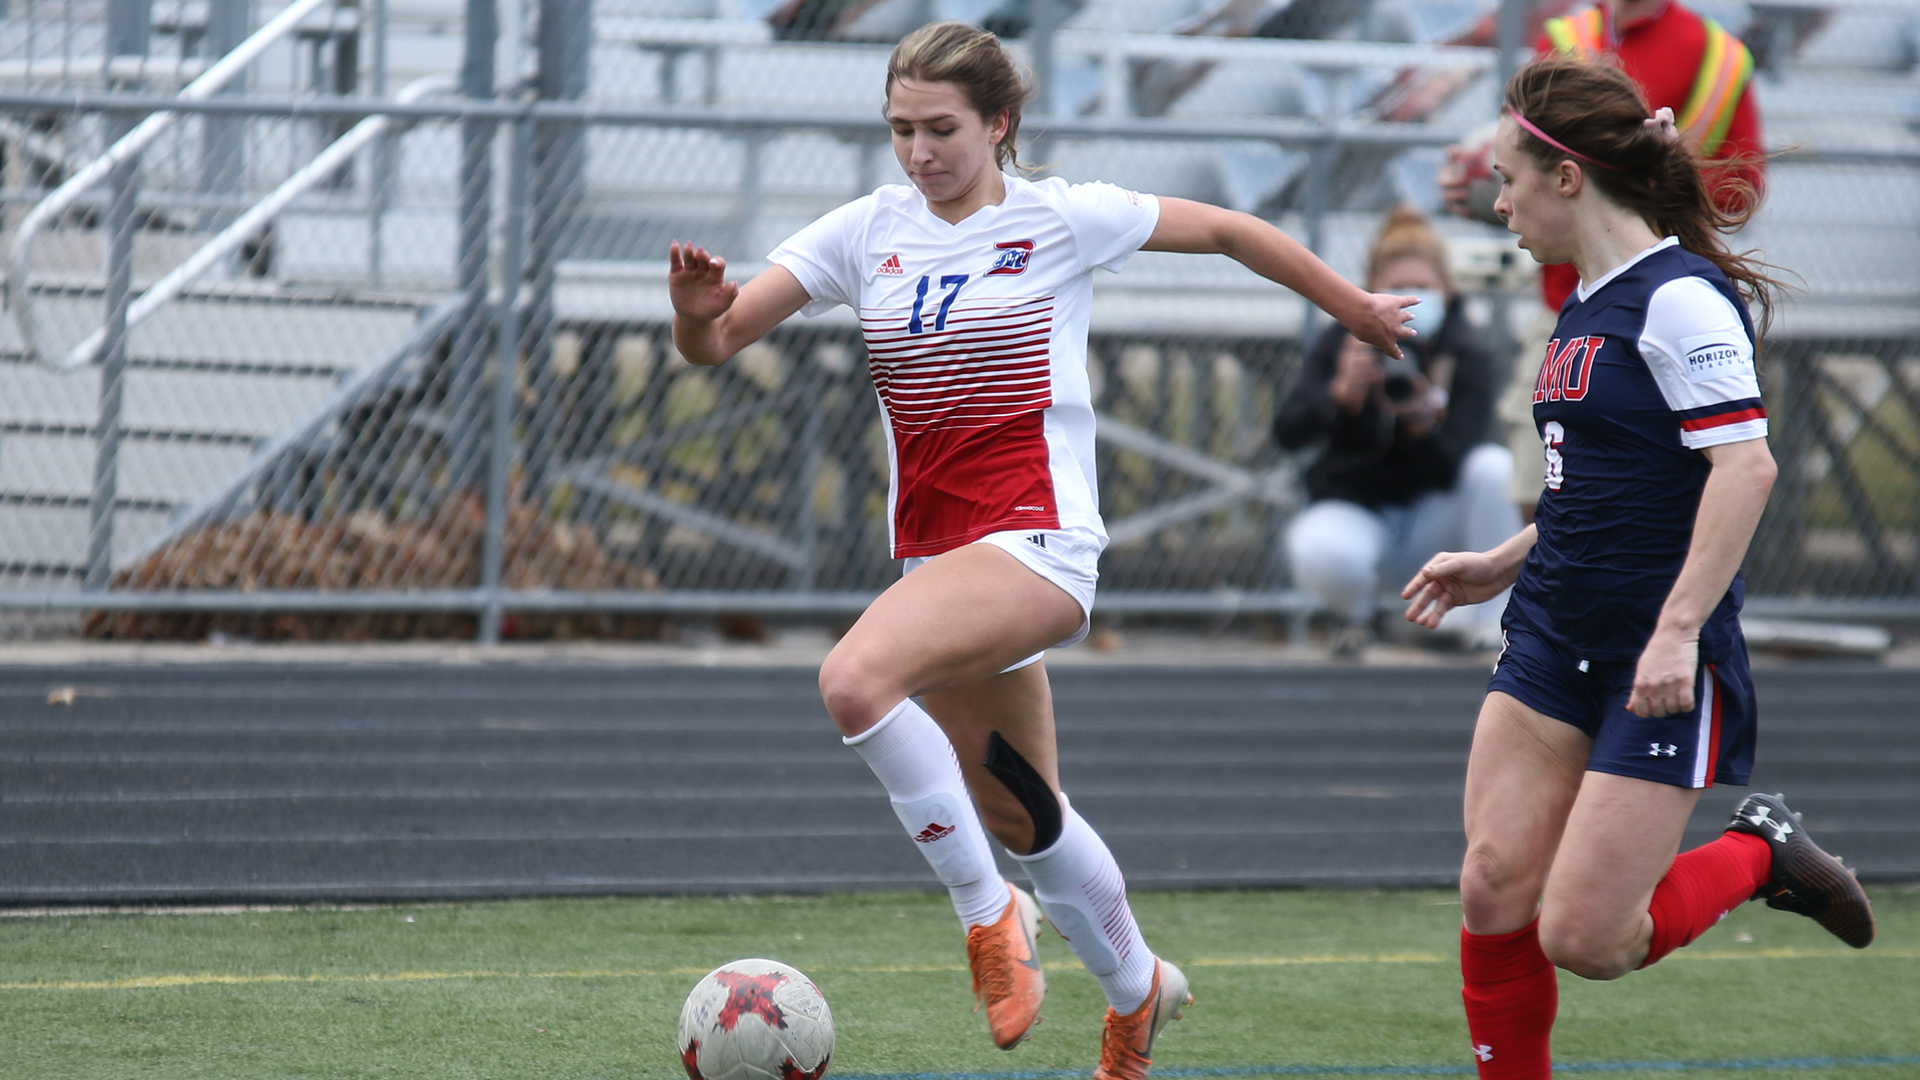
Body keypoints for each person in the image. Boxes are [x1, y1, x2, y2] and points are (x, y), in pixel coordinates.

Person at [667, 21, 1413, 1080]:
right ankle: (1138, 989)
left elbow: (1235, 231)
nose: (920, 153)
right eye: (900, 131)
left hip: (1040, 544)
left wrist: (1355, 306)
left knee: (853, 680)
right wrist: (694, 317)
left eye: (942, 130)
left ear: (999, 124)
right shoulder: (861, 231)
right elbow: (721, 335)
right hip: (945, 562)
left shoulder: (1062, 219)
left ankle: (988, 920)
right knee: (1025, 814)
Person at [1401, 55, 1873, 1080]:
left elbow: (1744, 471)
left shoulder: (1680, 301)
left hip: (1650, 659)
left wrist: (1674, 631)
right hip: (1549, 636)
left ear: (1568, 178)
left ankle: (1763, 852)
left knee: (1588, 937)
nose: (1498, 200)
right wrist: (1501, 559)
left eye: (1509, 178)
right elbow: (1602, 483)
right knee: (1492, 884)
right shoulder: (1587, 302)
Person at [1440, 0, 1766, 523]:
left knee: (1647, 498)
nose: (1503, 197)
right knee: (1545, 498)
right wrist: (1497, 182)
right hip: (1563, 308)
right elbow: (1535, 158)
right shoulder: (1569, 33)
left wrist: (1640, 184)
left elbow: (1743, 183)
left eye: (1505, 184)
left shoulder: (1716, 55)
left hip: (1648, 309)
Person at [1275, 206, 1518, 656]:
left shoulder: (1465, 351)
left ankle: (1493, 624)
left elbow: (1458, 462)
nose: (1411, 299)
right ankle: (1362, 620)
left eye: (1423, 288)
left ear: (1446, 290)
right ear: (1371, 291)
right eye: (1398, 288)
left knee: (1494, 467)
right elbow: (1287, 433)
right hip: (1361, 513)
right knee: (1318, 545)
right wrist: (1339, 397)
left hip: (1434, 520)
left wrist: (1423, 423)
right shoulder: (1342, 340)